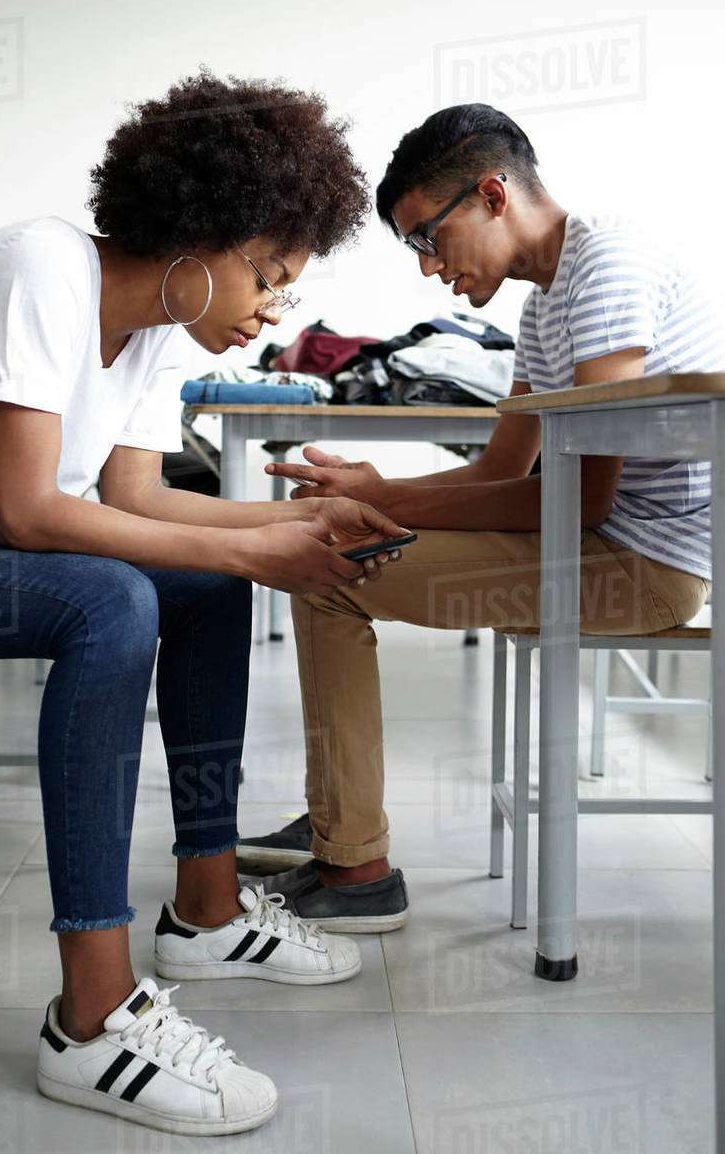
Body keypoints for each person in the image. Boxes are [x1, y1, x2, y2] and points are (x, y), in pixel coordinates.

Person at [0, 71, 410, 1137]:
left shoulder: (157, 331)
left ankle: (207, 906)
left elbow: (137, 498)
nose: (275, 307)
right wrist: (257, 551)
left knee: (194, 584)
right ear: (204, 235)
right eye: (269, 274)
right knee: (109, 600)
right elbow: (26, 511)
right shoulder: (38, 268)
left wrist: (310, 522)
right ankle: (90, 1019)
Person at [241, 101, 720, 932]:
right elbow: (504, 473)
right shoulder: (545, 304)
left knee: (327, 580)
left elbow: (581, 497)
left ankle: (355, 868)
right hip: (596, 541)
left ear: (493, 195)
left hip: (643, 568)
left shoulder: (607, 265)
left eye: (427, 237)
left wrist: (381, 497)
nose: (428, 269)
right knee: (333, 546)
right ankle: (338, 813)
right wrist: (375, 493)